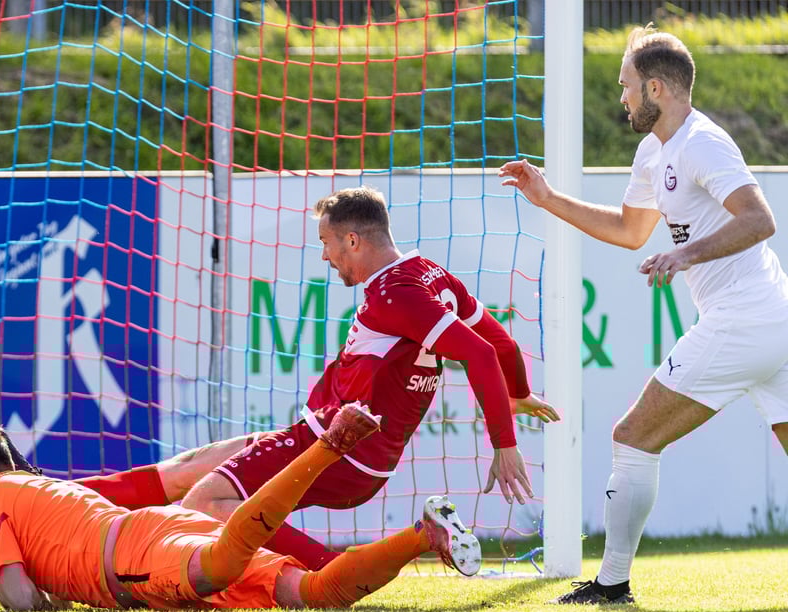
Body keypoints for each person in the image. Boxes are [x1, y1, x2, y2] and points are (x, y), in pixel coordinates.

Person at [499, 25, 788, 604]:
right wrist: (550, 198)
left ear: (656, 87)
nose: (622, 97)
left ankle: (611, 585)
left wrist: (685, 253)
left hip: (744, 318)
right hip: (770, 320)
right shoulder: (654, 151)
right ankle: (611, 584)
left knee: (631, 437)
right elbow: (631, 232)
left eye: (627, 85)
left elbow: (761, 220)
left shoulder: (702, 143)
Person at [174, 186, 559, 571]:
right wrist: (517, 393)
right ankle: (418, 538)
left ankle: (330, 572)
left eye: (326, 242)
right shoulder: (433, 275)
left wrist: (504, 443)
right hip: (362, 457)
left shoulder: (396, 294)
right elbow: (503, 346)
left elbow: (482, 353)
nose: (325, 254)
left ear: (353, 240)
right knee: (213, 485)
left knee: (205, 501)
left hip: (337, 445)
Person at [0, 408, 483, 612]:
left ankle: (324, 448)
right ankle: (423, 534)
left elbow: (14, 596)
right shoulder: (32, 492)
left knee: (216, 567)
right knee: (314, 593)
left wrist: (54, 600)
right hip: (153, 529)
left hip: (138, 559)